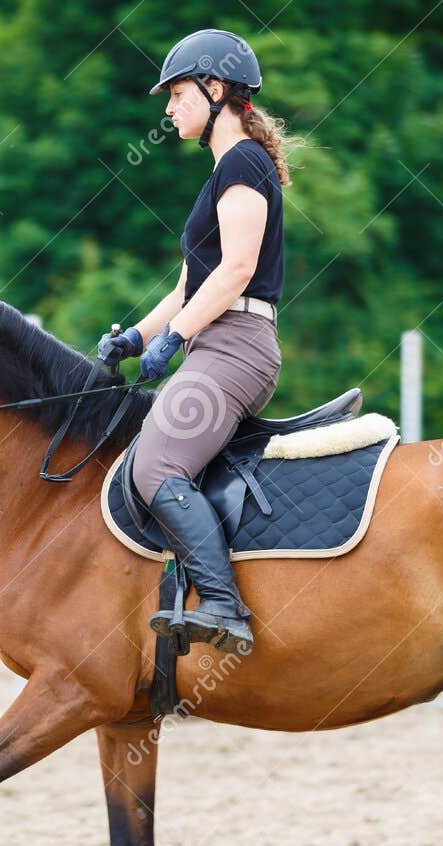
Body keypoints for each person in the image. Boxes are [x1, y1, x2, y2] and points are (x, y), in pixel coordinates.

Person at [97, 28, 296, 655]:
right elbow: (189, 285)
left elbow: (237, 269)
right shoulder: (221, 173)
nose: (168, 107)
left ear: (216, 90)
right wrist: (137, 335)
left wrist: (174, 340)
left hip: (236, 346)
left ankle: (223, 605)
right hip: (215, 341)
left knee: (155, 467)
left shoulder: (242, 163)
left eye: (177, 93)